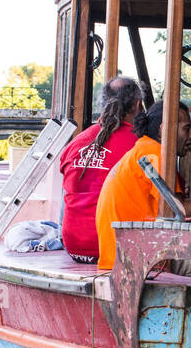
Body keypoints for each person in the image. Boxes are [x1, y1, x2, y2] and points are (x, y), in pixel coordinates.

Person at [95, 99, 191, 276]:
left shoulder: (143, 149)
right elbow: (180, 211)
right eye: (187, 128)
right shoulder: (156, 154)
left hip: (122, 259)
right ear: (165, 130)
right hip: (146, 264)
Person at [58, 76, 143, 262]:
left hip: (73, 247)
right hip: (111, 249)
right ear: (137, 105)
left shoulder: (75, 143)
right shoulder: (139, 146)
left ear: (103, 103)